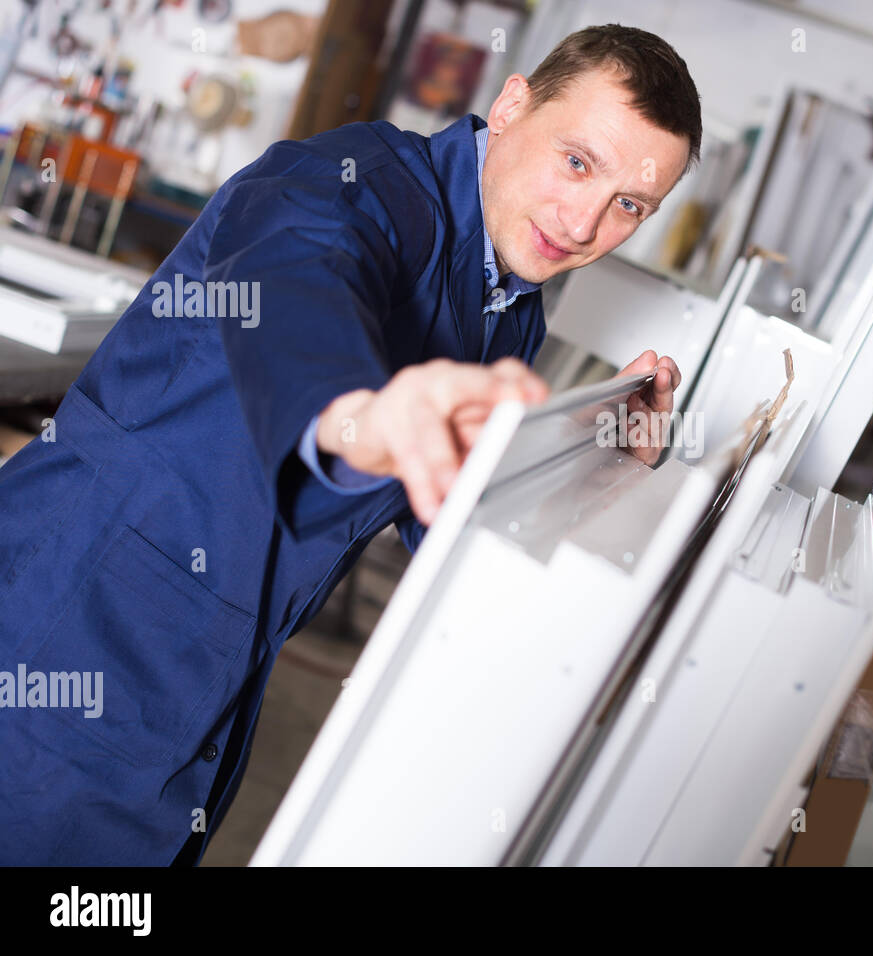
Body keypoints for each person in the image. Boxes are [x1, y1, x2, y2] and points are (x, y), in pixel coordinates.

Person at [0, 23, 701, 865]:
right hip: (64, 630)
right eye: (578, 162)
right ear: (513, 104)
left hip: (213, 687)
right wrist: (360, 418)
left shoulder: (509, 303)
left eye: (630, 205)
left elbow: (447, 515)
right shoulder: (345, 185)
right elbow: (292, 281)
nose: (584, 221)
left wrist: (596, 465)